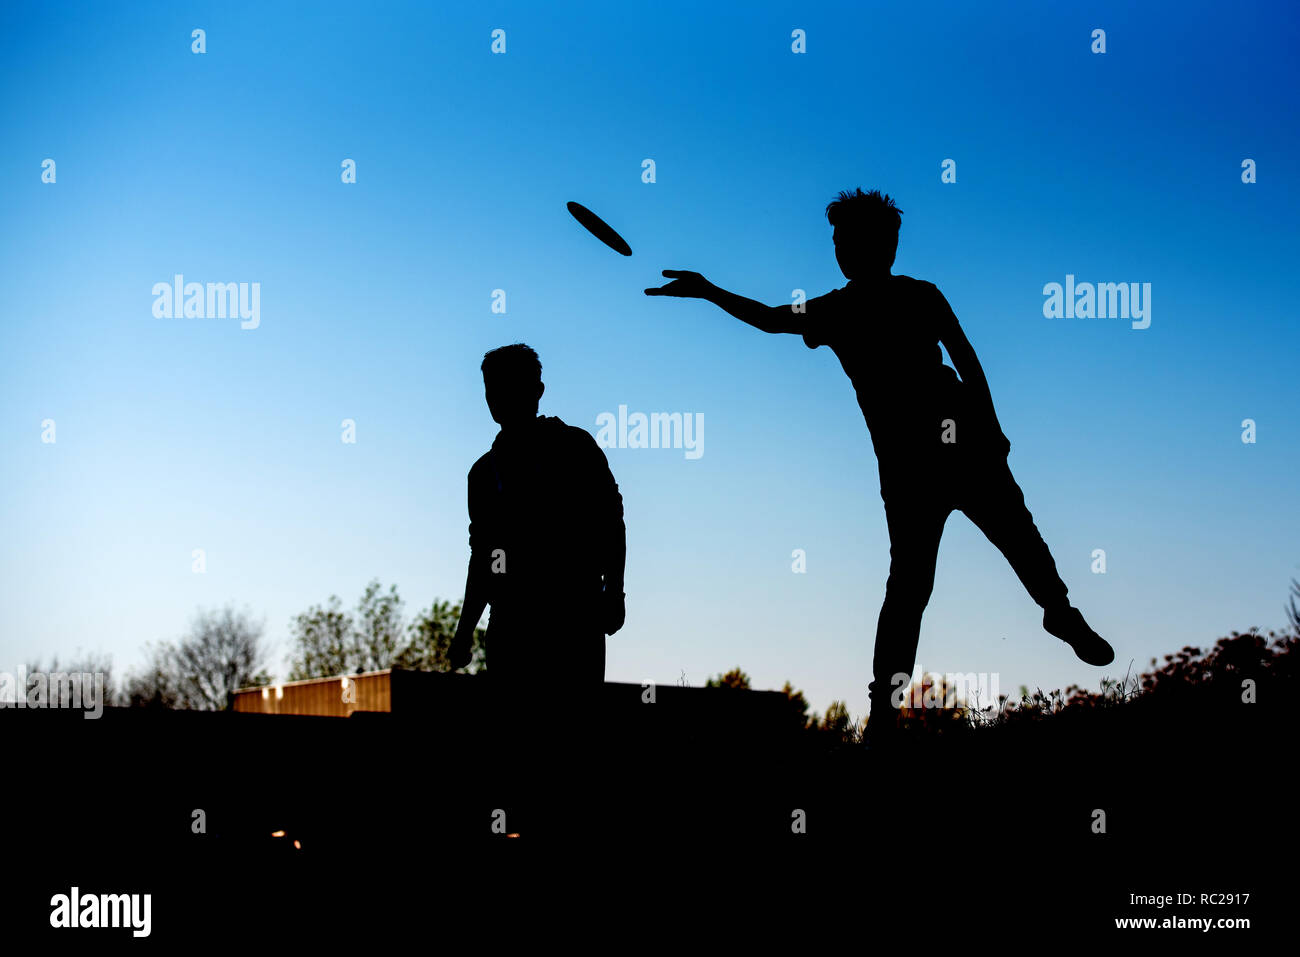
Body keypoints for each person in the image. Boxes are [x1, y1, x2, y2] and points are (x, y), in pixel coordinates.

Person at [644, 188, 1113, 743]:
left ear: (887, 246)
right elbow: (771, 319)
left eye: (852, 240)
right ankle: (886, 708)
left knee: (1016, 540)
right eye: (838, 241)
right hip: (910, 468)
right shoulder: (836, 309)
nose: (843, 250)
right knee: (911, 586)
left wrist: (991, 429)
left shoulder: (920, 296)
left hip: (962, 445)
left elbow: (967, 359)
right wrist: (709, 291)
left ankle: (1058, 611)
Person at [449, 343, 626, 693]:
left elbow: (611, 522)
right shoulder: (483, 473)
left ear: (537, 391)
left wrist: (614, 592)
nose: (499, 397)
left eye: (509, 386)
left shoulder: (575, 447)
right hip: (511, 627)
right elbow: (483, 558)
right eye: (492, 389)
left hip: (573, 620)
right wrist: (464, 631)